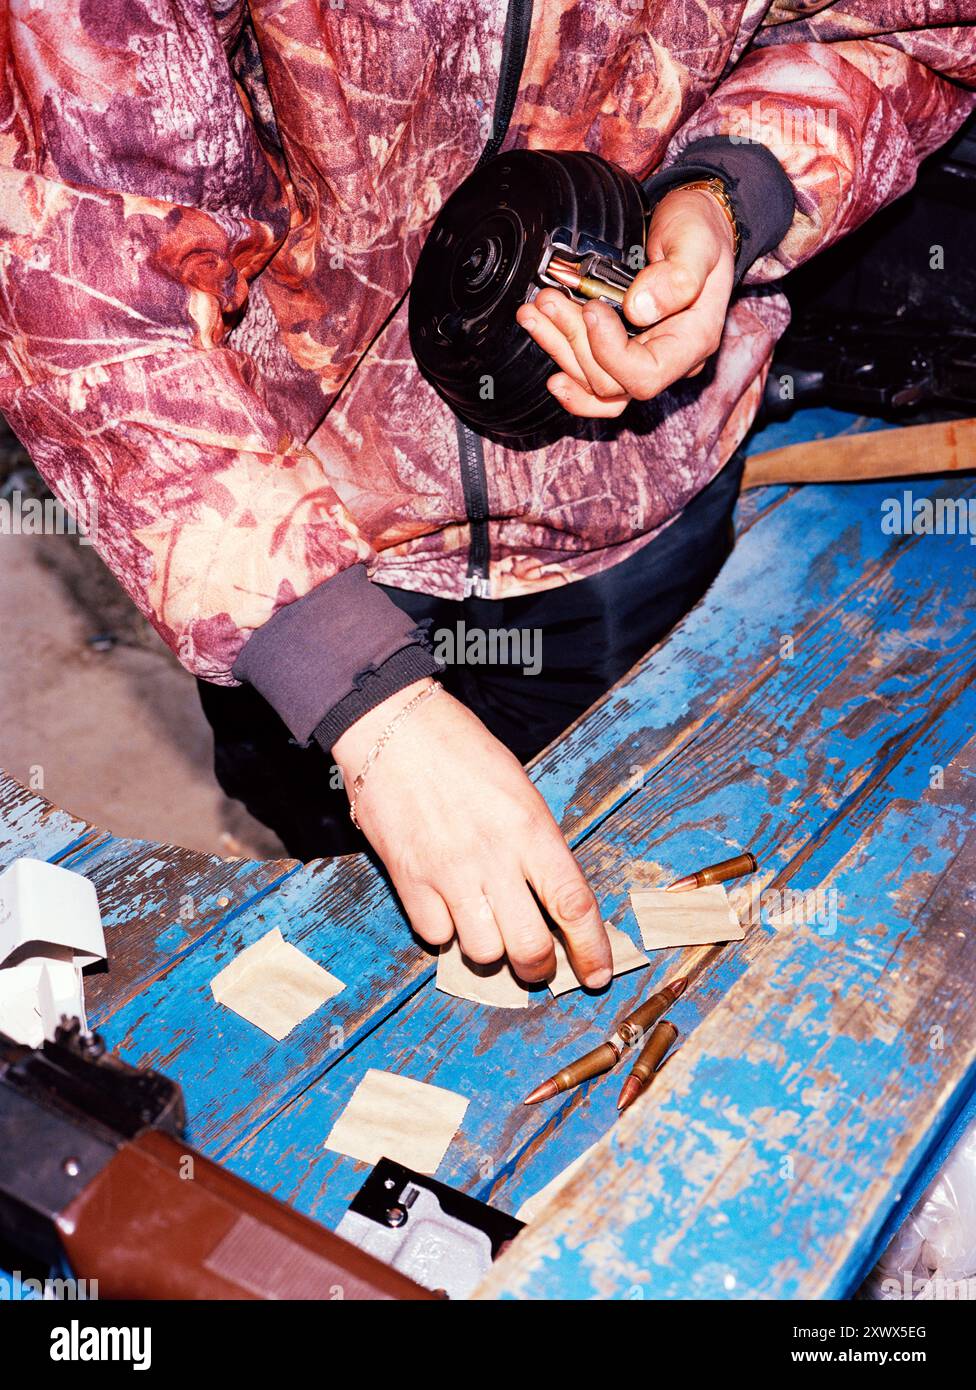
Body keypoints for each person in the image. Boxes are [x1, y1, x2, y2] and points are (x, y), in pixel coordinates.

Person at [2, 2, 973, 988]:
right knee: (332, 913)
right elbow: (78, 244)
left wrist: (730, 191)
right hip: (293, 516)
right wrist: (355, 690)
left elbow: (902, 35)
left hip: (635, 499)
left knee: (618, 841)